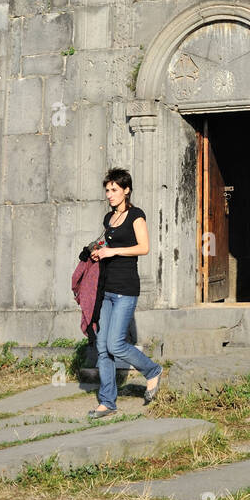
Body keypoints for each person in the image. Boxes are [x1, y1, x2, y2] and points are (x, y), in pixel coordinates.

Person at [87, 168, 163, 419]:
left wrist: (113, 252)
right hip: (105, 290)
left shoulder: (136, 216)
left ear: (126, 190)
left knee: (115, 344)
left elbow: (144, 248)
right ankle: (107, 401)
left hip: (125, 290)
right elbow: (108, 246)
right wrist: (100, 251)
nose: (109, 195)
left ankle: (152, 371)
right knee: (102, 346)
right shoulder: (108, 219)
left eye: (114, 190)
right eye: (107, 190)